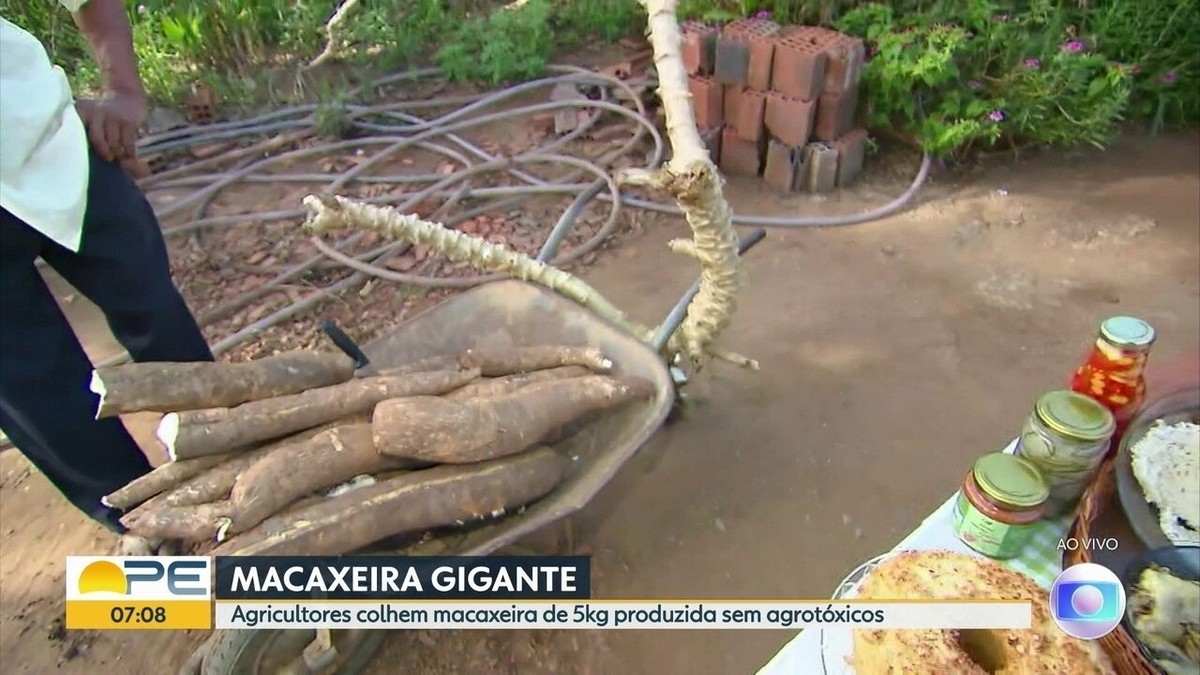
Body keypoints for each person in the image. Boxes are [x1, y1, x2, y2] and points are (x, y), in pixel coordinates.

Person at [0, 1, 213, 537]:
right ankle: (151, 529)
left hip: (52, 146)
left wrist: (124, 90)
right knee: (36, 389)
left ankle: (229, 454)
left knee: (159, 320)